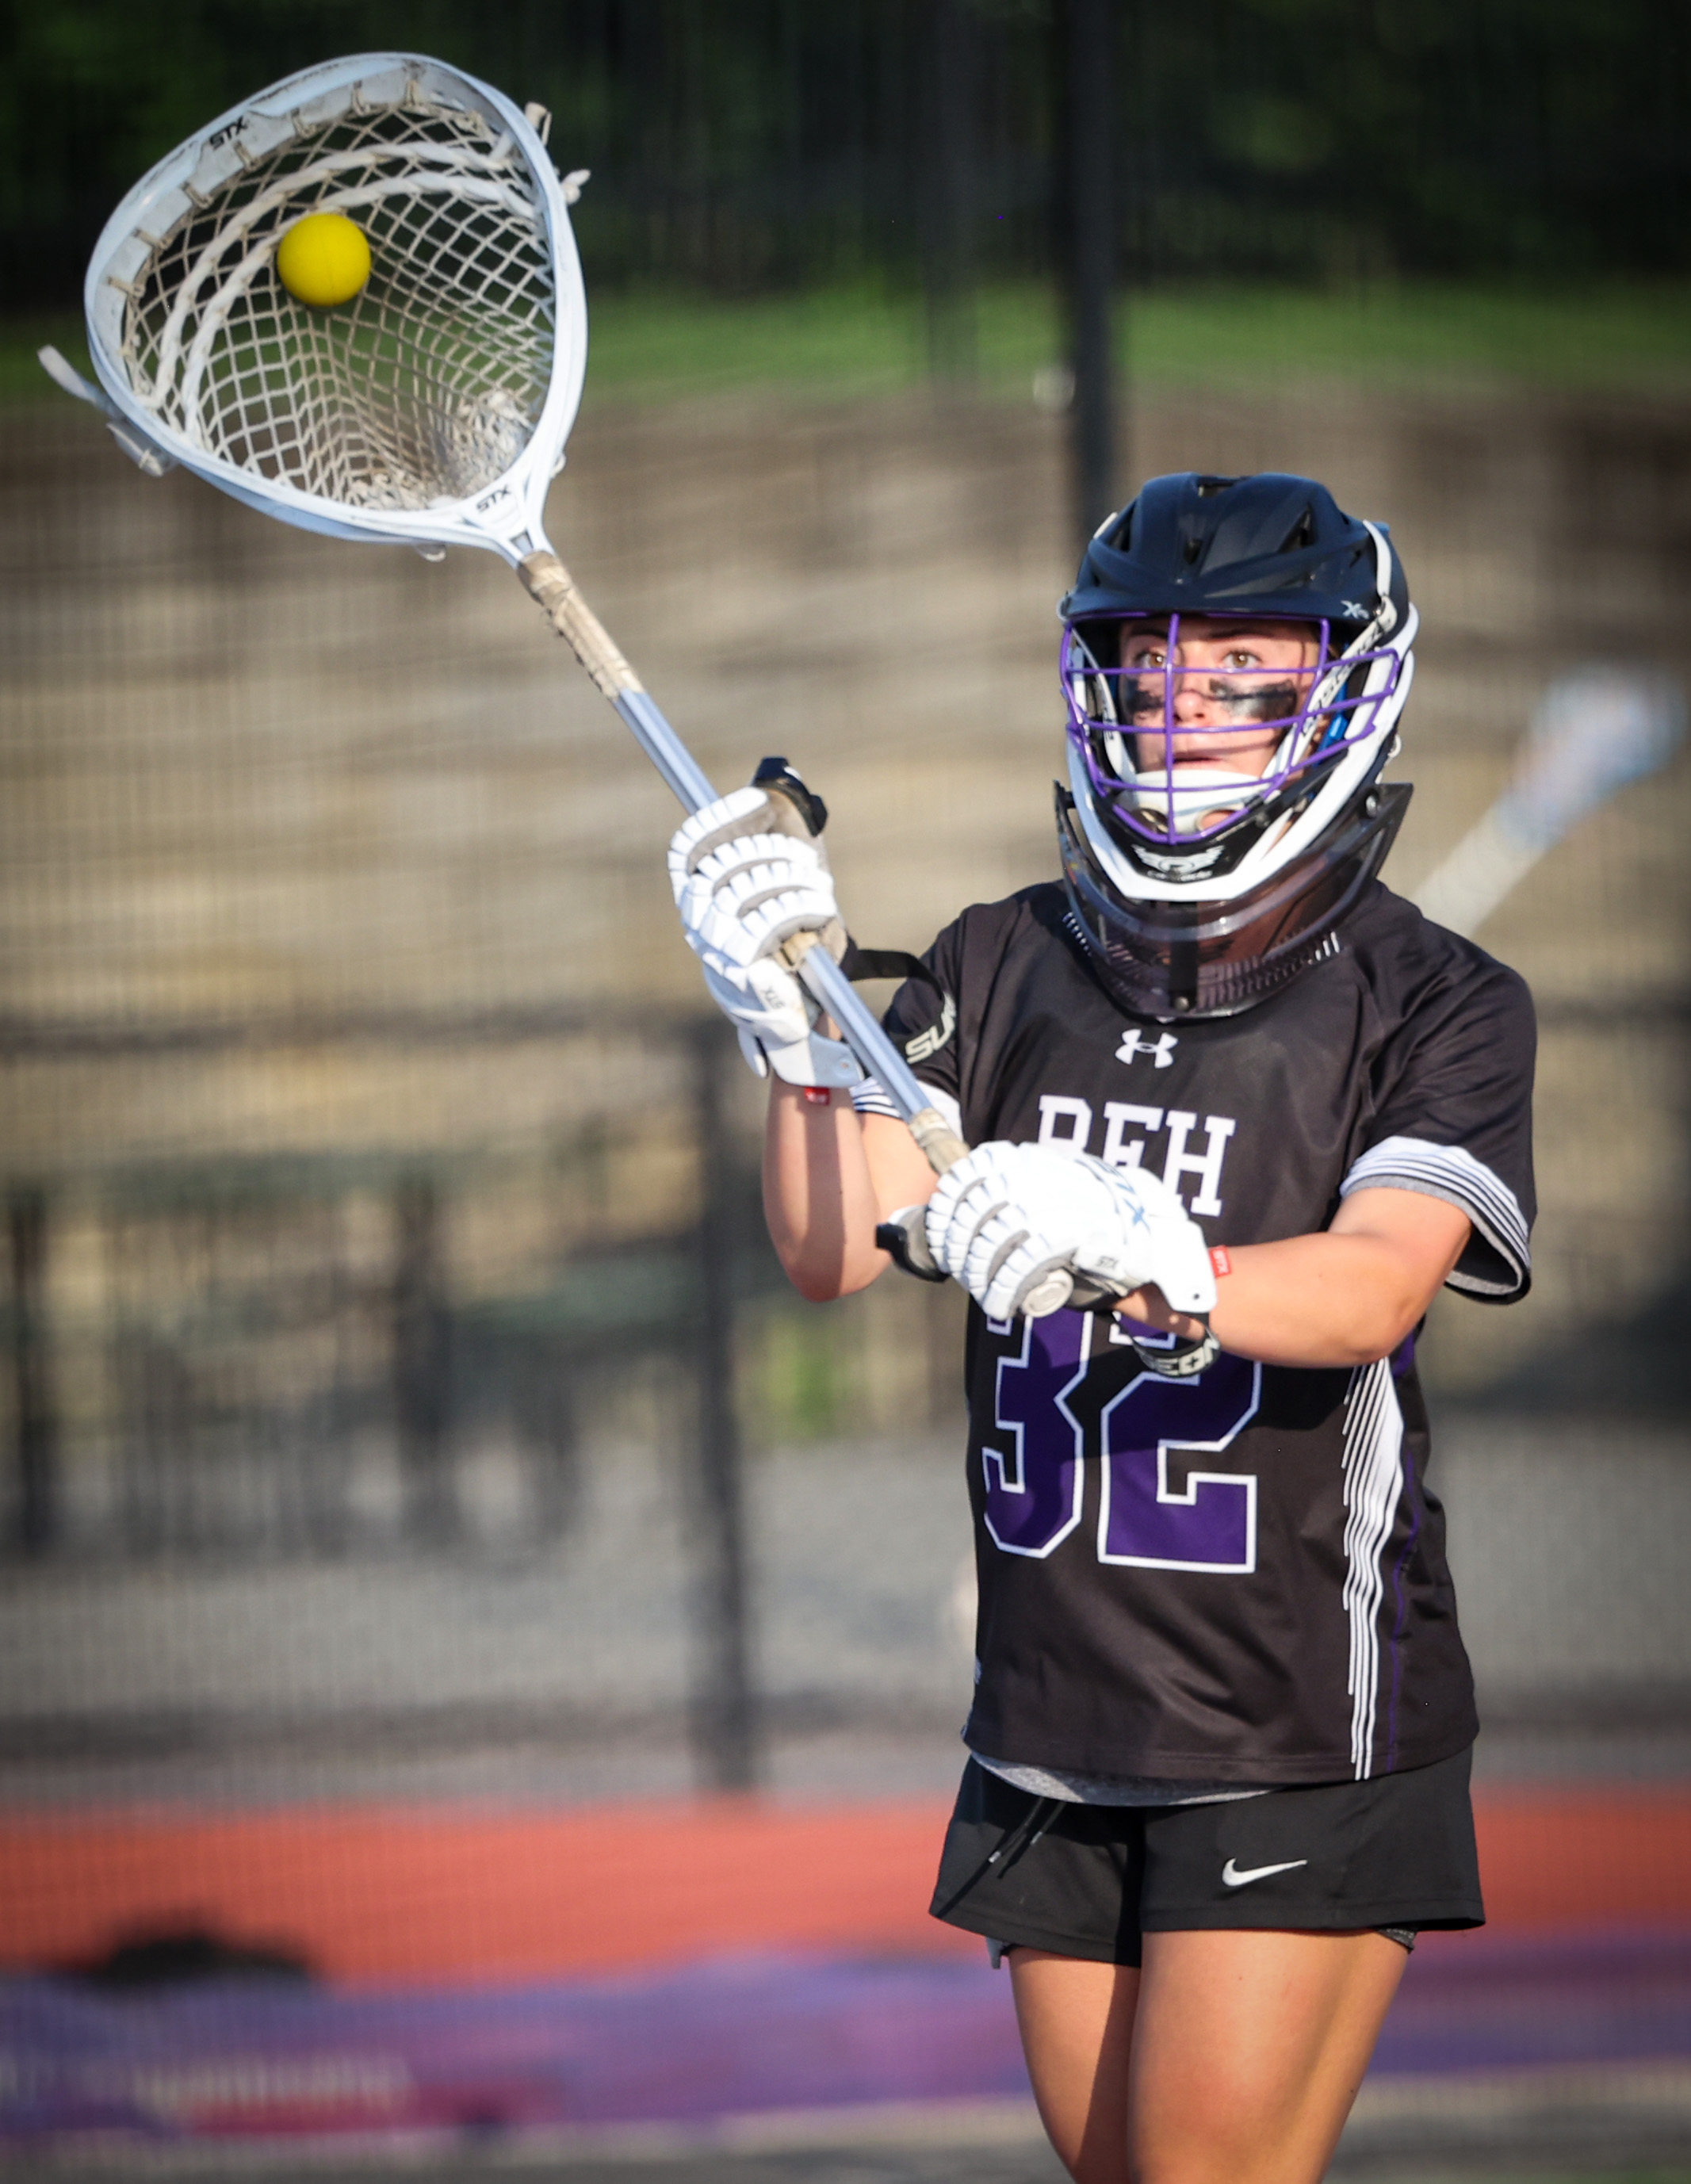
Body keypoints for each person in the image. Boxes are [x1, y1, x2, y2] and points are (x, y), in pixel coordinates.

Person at [667, 472, 1535, 2184]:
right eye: (1149, 668)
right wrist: (786, 1035)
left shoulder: (1431, 997)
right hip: (1052, 1714)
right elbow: (834, 1248)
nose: (1180, 710)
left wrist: (1157, 1253)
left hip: (1289, 1723)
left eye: (1236, 673)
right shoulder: (999, 960)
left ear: (1337, 690)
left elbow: (1371, 1285)